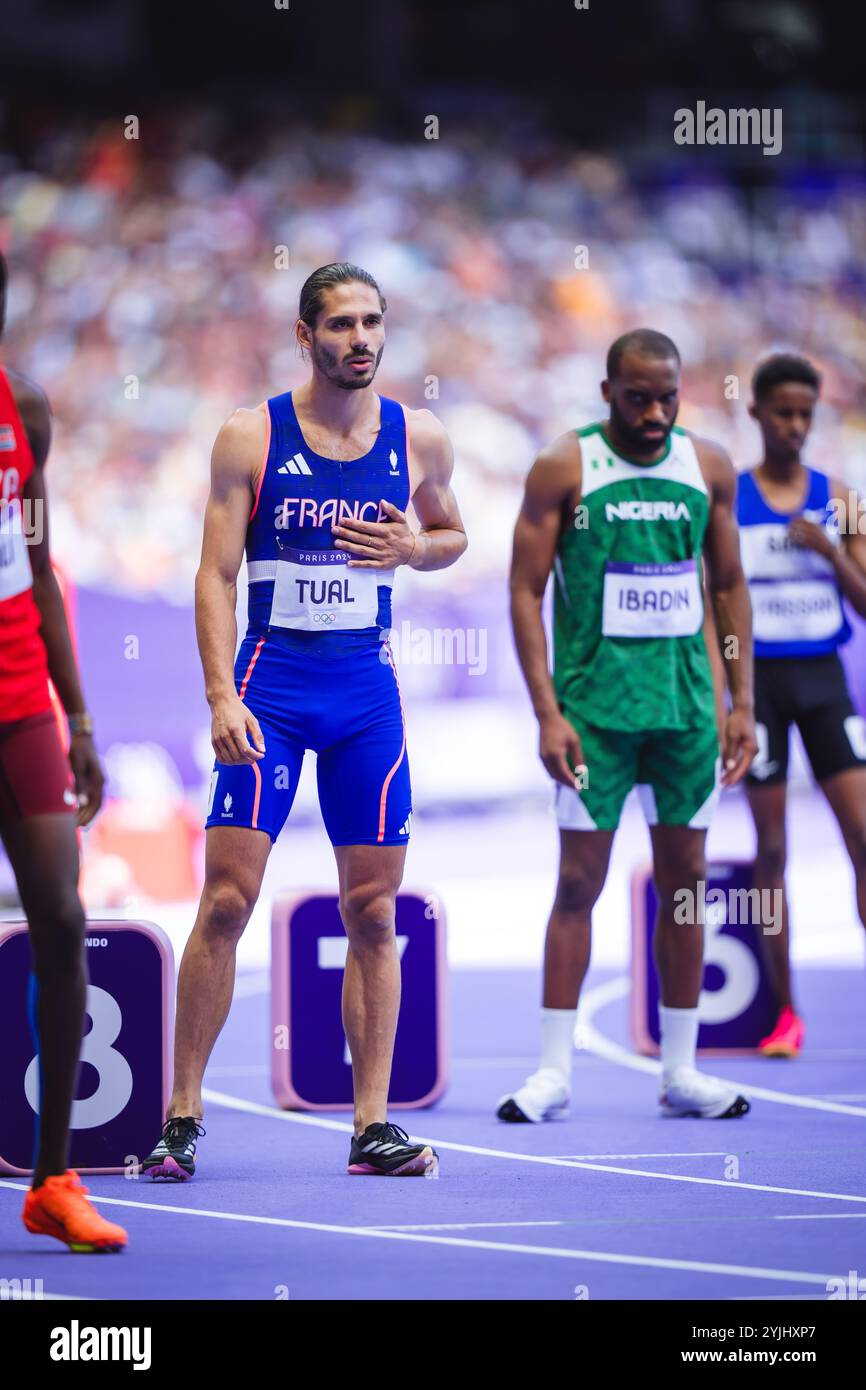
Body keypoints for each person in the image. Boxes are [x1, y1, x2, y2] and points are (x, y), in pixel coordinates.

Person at [142, 262, 466, 1180]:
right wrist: (219, 695)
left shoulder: (419, 435)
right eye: (340, 325)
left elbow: (451, 536)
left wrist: (416, 546)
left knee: (373, 911)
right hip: (270, 691)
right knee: (227, 901)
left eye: (372, 323)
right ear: (304, 335)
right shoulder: (251, 436)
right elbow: (212, 574)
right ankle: (182, 1116)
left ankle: (372, 1126)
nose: (359, 339)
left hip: (366, 694)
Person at [500, 328, 757, 1123]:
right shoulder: (564, 465)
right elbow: (523, 589)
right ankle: (553, 1072)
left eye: (667, 398)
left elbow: (728, 585)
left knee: (686, 885)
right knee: (578, 882)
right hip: (595, 719)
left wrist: (741, 699)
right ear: (607, 391)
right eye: (638, 397)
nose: (654, 413)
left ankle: (681, 1071)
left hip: (685, 714)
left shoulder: (707, 465)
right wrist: (548, 713)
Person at [0, 251, 127, 1250]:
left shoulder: (22, 408)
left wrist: (78, 718)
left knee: (63, 914)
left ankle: (52, 1179)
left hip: (17, 703)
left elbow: (38, 560)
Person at [739, 353, 866, 1056]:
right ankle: (786, 1014)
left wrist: (831, 551)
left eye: (804, 415)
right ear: (756, 413)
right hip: (761, 686)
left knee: (863, 840)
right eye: (781, 413)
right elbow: (715, 601)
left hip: (824, 684)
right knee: (773, 851)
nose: (793, 426)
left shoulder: (841, 497)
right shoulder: (731, 497)